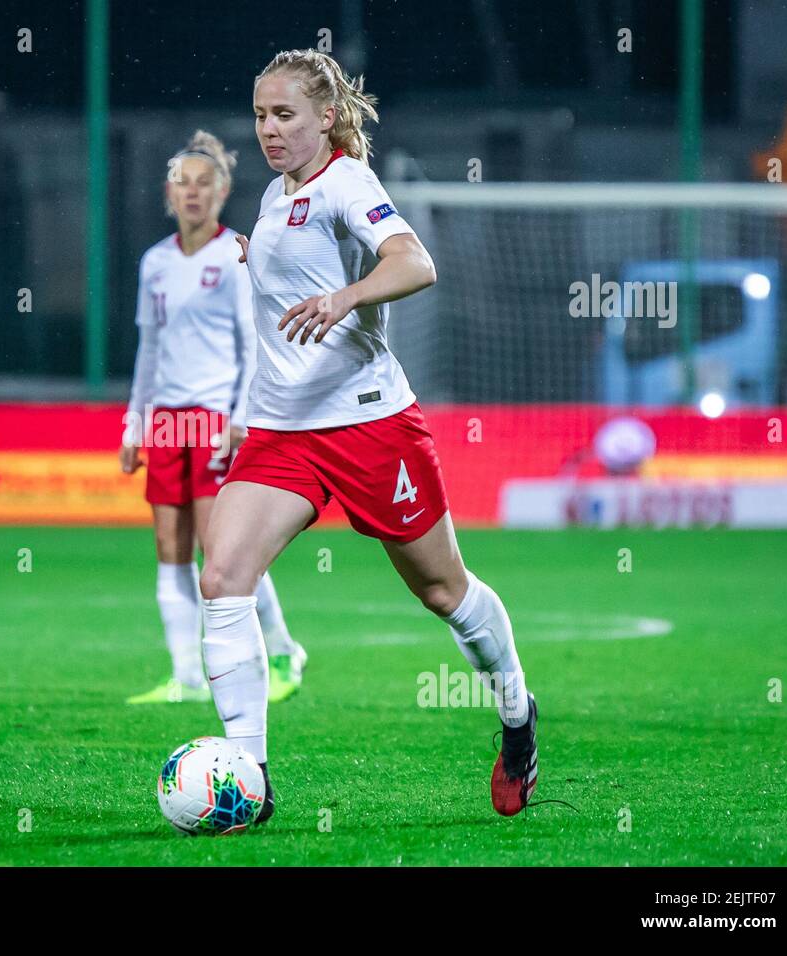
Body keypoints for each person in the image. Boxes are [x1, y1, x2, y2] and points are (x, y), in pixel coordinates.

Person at [198, 50, 538, 823]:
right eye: (259, 115)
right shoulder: (272, 193)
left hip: (368, 424)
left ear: (325, 117)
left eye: (284, 114)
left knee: (444, 590)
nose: (269, 129)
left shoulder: (347, 182)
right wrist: (248, 410)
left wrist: (346, 296)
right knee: (222, 580)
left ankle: (518, 717)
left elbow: (415, 263)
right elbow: (279, 315)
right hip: (284, 432)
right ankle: (249, 778)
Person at [122, 130, 306, 706]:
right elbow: (149, 348)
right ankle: (185, 676)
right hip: (166, 421)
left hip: (212, 419)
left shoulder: (234, 255)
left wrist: (237, 415)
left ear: (222, 192)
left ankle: (280, 649)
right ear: (169, 194)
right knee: (168, 545)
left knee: (219, 548)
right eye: (183, 183)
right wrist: (134, 423)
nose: (193, 194)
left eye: (204, 184)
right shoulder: (154, 263)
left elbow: (250, 342)